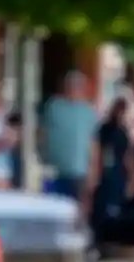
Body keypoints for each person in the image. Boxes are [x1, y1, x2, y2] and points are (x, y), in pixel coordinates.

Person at [40, 71, 100, 204]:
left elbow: (93, 144)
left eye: (77, 86)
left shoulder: (89, 112)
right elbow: (43, 134)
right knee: (55, 205)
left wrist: (93, 172)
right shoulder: (54, 107)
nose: (74, 89)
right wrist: (42, 158)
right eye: (71, 85)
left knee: (78, 207)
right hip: (55, 170)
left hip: (80, 172)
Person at [91, 97, 134, 236]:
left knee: (115, 206)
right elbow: (98, 152)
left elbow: (128, 156)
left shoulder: (123, 132)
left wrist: (131, 177)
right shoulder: (105, 129)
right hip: (107, 174)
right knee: (104, 206)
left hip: (118, 174)